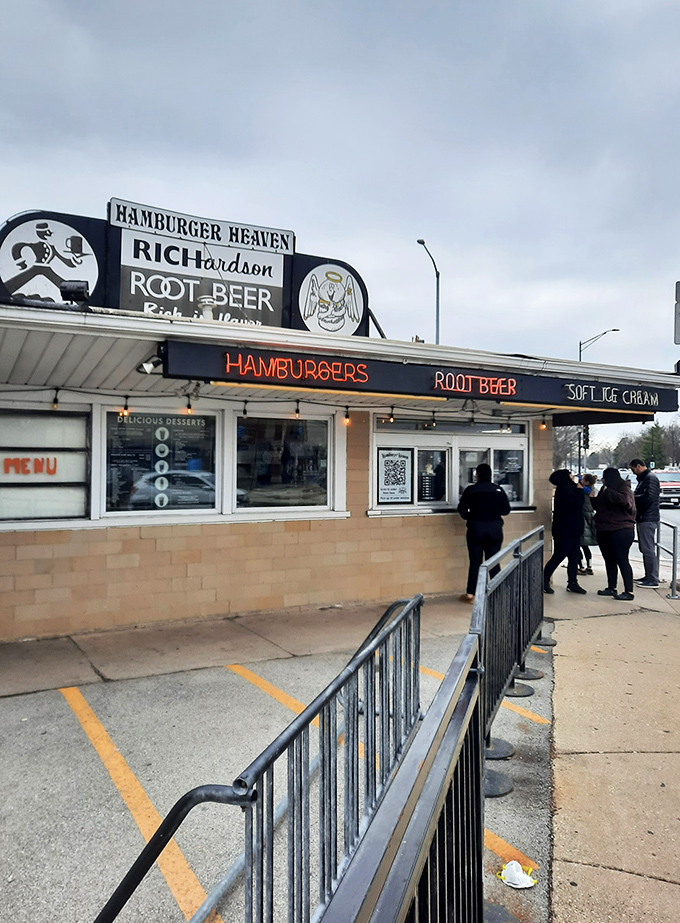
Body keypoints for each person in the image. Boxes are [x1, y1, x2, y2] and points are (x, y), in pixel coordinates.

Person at [458, 463, 511, 602]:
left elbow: (462, 509)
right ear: (491, 475)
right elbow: (506, 510)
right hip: (495, 529)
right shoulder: (498, 490)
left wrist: (471, 517)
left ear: (477, 475)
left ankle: (471, 594)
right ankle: (498, 593)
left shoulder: (471, 490)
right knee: (493, 561)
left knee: (475, 562)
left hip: (476, 528)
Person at [592, 467, 637, 600]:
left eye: (604, 478)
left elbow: (625, 502)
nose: (602, 480)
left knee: (622, 559)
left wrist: (607, 491)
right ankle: (611, 588)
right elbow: (600, 506)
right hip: (605, 529)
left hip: (621, 530)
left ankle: (629, 592)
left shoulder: (624, 488)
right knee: (609, 560)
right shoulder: (605, 489)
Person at [543, 469, 586, 594]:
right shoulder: (565, 489)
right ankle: (545, 580)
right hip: (566, 530)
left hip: (573, 529)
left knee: (574, 556)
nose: (572, 475)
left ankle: (572, 582)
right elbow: (577, 503)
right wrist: (579, 490)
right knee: (559, 555)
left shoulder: (568, 488)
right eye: (569, 473)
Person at [629, 458, 660, 588]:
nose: (633, 472)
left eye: (633, 469)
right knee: (645, 548)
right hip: (645, 517)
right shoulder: (645, 479)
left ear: (639, 466)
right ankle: (649, 575)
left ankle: (652, 579)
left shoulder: (650, 479)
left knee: (648, 549)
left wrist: (632, 497)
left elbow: (649, 498)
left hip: (647, 518)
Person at [578, 473, 598, 575]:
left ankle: (581, 566)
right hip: (590, 516)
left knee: (579, 543)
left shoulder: (583, 490)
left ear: (586, 482)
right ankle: (589, 566)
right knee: (586, 546)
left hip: (583, 516)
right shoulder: (593, 489)